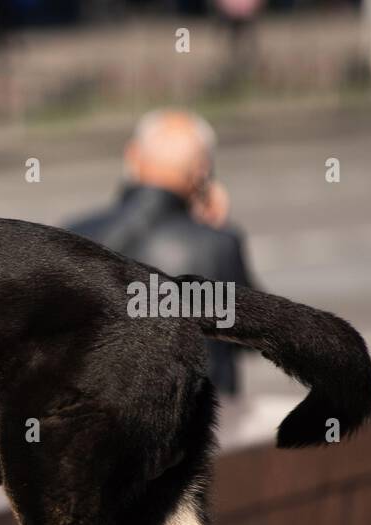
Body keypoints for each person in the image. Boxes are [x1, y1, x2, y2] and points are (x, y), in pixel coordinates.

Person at [66, 108, 254, 395]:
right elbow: (255, 337)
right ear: (203, 172)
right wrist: (218, 229)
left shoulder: (72, 234)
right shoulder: (218, 245)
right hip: (198, 426)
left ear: (133, 156)